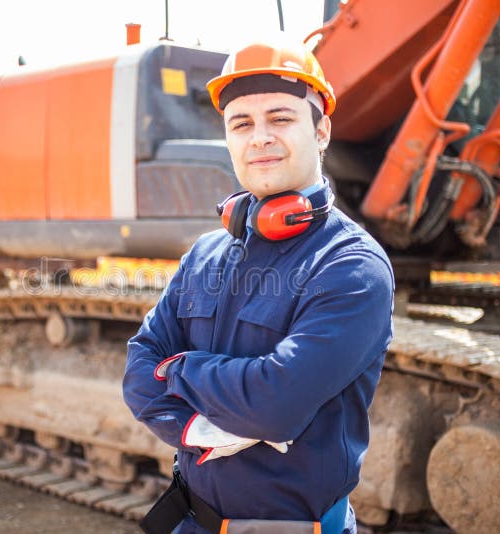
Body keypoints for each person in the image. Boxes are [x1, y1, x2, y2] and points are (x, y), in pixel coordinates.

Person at [123, 38, 394, 534]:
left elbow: (276, 404)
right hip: (189, 521)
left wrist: (180, 369)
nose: (259, 137)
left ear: (322, 130)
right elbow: (137, 373)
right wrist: (196, 426)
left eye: (281, 118)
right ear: (227, 138)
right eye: (241, 124)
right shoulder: (204, 254)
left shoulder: (351, 266)